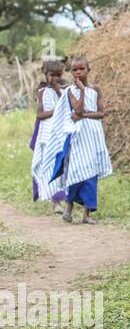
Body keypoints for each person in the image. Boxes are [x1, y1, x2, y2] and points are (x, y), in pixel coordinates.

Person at [39, 57, 113, 225]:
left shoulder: (96, 89)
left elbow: (100, 113)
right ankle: (69, 207)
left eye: (81, 69)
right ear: (71, 72)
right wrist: (82, 92)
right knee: (75, 169)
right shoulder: (71, 91)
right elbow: (77, 111)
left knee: (91, 172)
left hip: (93, 134)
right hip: (78, 136)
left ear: (88, 70)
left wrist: (85, 114)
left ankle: (87, 214)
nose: (78, 72)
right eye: (74, 70)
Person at [31, 59, 68, 214]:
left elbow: (68, 105)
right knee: (49, 165)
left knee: (61, 165)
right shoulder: (42, 92)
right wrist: (57, 111)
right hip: (47, 133)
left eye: (58, 75)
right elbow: (40, 114)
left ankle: (62, 198)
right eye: (52, 75)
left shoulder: (65, 90)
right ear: (46, 75)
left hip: (61, 132)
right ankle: (55, 201)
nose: (55, 78)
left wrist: (59, 90)